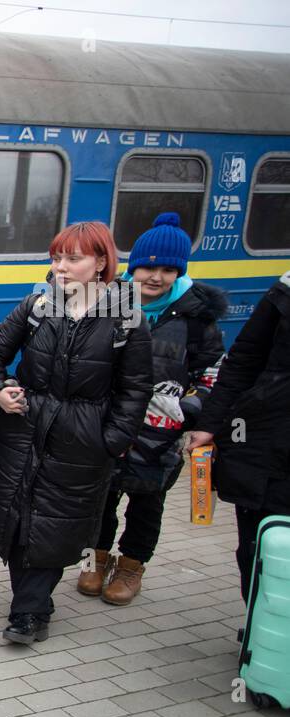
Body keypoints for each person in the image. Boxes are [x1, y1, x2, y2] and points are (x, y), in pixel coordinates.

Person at [0, 222, 154, 645]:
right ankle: (34, 607)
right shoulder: (37, 305)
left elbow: (135, 389)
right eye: (57, 257)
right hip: (22, 430)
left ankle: (27, 612)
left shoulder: (125, 318)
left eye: (74, 258)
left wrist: (110, 439)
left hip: (80, 439)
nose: (62, 267)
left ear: (101, 263)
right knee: (18, 520)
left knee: (55, 524)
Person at [79, 213, 226, 605]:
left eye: (167, 269)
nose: (155, 276)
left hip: (162, 435)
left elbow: (213, 377)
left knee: (146, 506)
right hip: (108, 427)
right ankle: (92, 560)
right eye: (147, 266)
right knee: (99, 500)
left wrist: (190, 413)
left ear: (179, 273)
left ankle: (130, 567)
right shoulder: (106, 304)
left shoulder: (197, 321)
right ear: (133, 266)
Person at [187, 271, 290, 606]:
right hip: (266, 443)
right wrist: (210, 424)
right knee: (258, 548)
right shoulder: (285, 291)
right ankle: (260, 631)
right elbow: (244, 361)